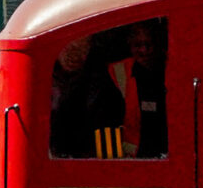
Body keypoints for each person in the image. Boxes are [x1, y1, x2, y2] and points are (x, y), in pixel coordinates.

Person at [50, 23, 167, 159]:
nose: (144, 50)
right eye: (137, 45)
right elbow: (106, 122)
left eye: (148, 45)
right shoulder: (116, 72)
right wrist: (112, 163)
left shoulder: (169, 70)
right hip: (131, 159)